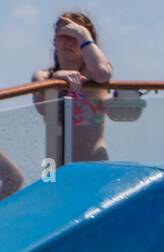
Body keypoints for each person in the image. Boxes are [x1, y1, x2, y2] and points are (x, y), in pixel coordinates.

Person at [31, 12, 113, 163]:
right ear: (54, 40)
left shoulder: (94, 75)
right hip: (53, 167)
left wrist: (83, 35)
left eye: (75, 36)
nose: (69, 41)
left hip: (92, 164)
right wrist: (57, 79)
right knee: (47, 185)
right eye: (64, 34)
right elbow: (43, 109)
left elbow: (102, 74)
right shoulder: (43, 76)